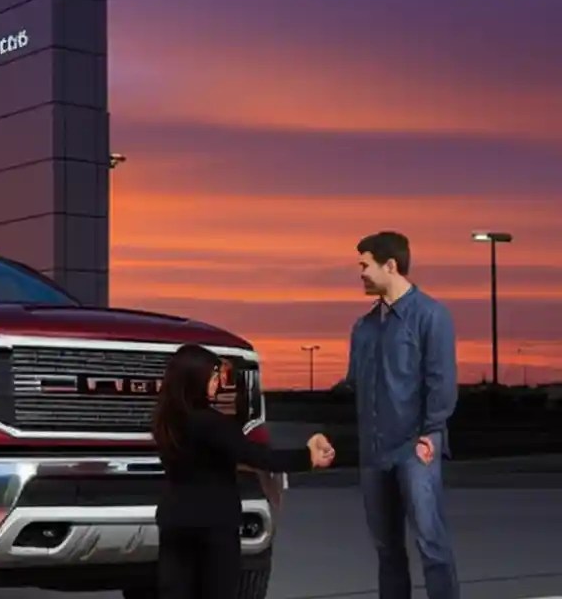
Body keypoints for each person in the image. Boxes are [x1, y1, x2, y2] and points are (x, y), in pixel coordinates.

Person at [153, 344, 334, 599]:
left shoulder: (166, 422)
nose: (218, 382)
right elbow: (259, 456)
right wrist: (309, 456)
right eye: (213, 376)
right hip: (214, 523)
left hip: (175, 519)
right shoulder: (211, 423)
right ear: (195, 378)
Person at [344, 231, 459, 599]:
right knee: (387, 549)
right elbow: (355, 385)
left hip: (415, 449)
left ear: (390, 265)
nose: (361, 273)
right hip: (373, 453)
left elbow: (441, 382)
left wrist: (431, 433)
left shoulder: (431, 316)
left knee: (431, 545)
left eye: (365, 265)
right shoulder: (363, 327)